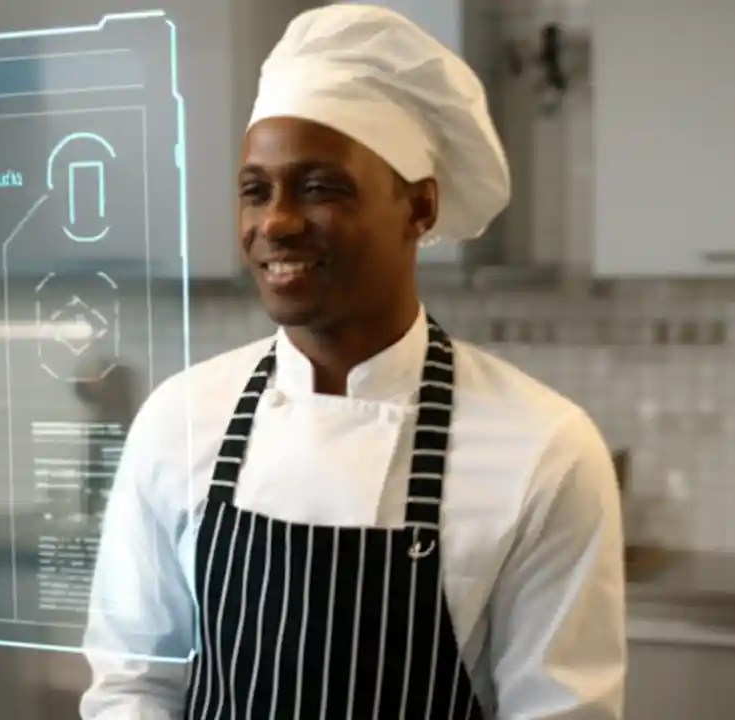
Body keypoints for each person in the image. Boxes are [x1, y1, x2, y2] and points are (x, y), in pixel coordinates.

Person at [80, 4, 625, 719]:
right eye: (256, 190)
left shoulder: (542, 451)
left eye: (319, 187)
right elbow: (135, 687)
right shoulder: (179, 420)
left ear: (419, 207)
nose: (274, 222)